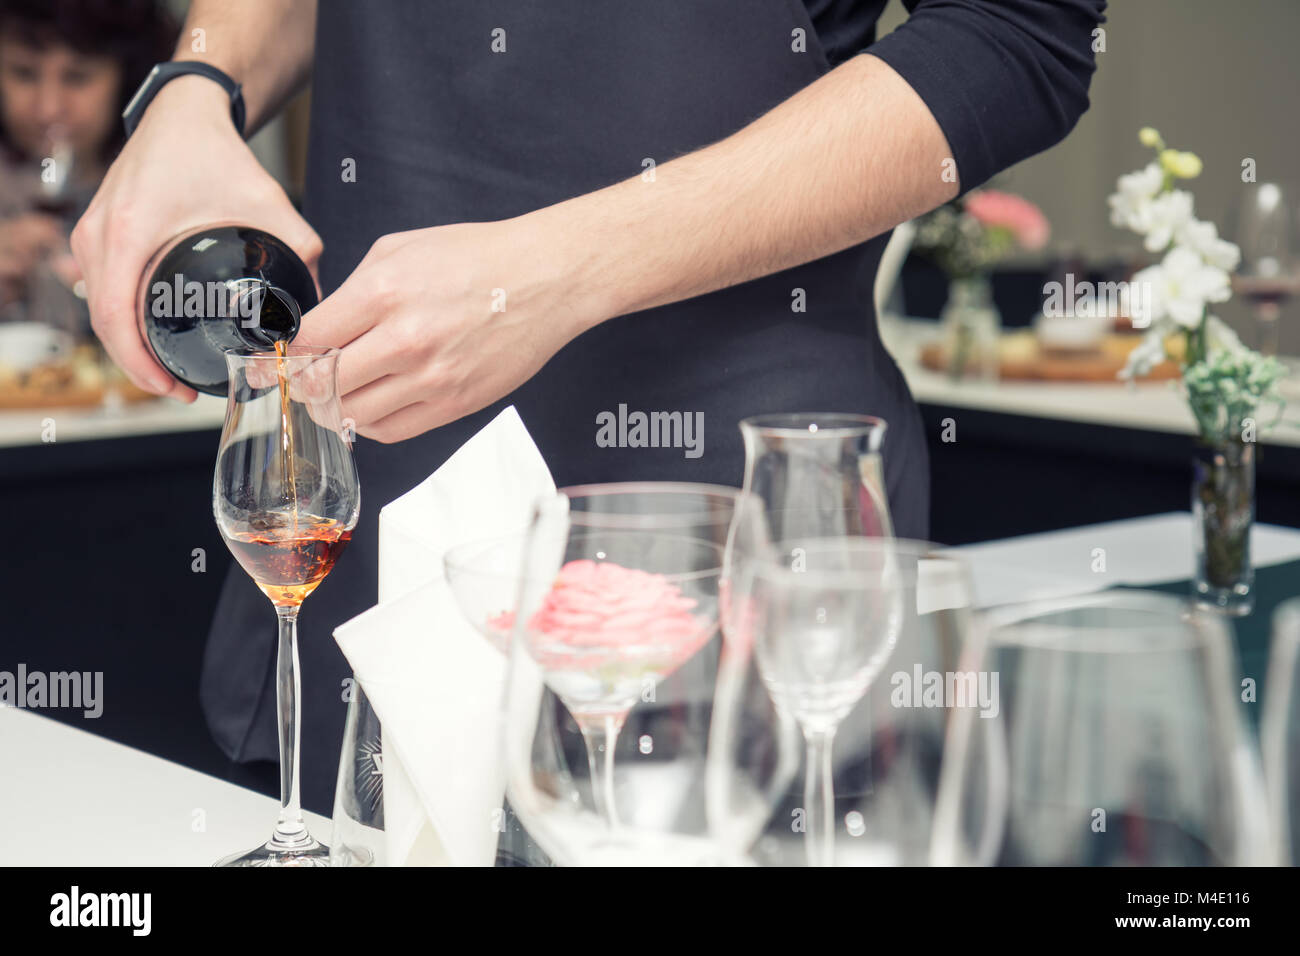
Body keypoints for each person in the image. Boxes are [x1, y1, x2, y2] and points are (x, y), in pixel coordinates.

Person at [73, 0, 1106, 813]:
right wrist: (194, 87)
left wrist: (564, 269)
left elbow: (1017, 30)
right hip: (371, 508)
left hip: (717, 516)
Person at [0, 0, 173, 328]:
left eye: (77, 78)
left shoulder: (169, 185)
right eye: (23, 73)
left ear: (126, 79)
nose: (49, 109)